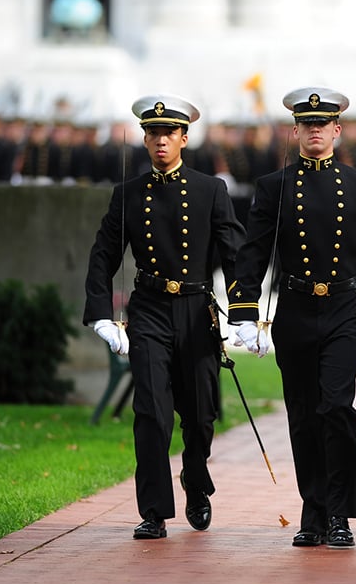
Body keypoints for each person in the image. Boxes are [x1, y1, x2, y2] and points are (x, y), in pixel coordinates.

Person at [228, 87, 356, 549]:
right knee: (303, 417)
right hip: (296, 310)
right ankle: (314, 510)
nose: (315, 130)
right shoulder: (274, 186)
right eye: (307, 124)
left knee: (337, 409)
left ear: (337, 130)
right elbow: (254, 252)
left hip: (343, 310)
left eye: (323, 124)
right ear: (296, 130)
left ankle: (339, 512)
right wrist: (243, 310)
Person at [83, 95, 245, 539]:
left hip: (196, 309)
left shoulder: (211, 190)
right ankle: (153, 511)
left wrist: (243, 313)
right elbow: (103, 255)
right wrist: (101, 315)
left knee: (200, 415)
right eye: (153, 133)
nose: (160, 140)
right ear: (144, 138)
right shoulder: (129, 193)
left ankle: (195, 478)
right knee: (152, 413)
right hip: (150, 308)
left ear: (184, 138)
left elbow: (234, 254)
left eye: (169, 133)